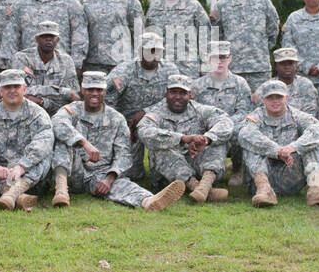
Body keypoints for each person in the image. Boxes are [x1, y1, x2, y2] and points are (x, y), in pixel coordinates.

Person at [51, 71, 187, 210]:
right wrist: (83, 142)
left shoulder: (116, 118)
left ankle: (148, 201)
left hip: (100, 174)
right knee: (64, 139)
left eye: (99, 90)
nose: (95, 94)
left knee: (122, 185)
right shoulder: (71, 110)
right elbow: (57, 123)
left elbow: (124, 154)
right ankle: (61, 191)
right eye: (90, 89)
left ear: (105, 91)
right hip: (72, 172)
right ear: (82, 90)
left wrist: (109, 179)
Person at [238, 80, 319, 207]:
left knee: (312, 144)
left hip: (290, 177)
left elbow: (317, 130)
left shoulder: (297, 116)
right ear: (263, 99)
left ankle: (317, 189)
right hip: (260, 180)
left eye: (279, 97)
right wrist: (277, 151)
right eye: (270, 97)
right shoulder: (256, 117)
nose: (275, 101)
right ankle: (265, 190)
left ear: (286, 98)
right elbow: (245, 135)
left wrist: (293, 147)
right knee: (251, 145)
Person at [137, 74, 234, 203]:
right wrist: (182, 139)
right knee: (161, 148)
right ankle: (198, 188)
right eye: (173, 92)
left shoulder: (200, 110)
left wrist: (206, 139)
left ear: (190, 95)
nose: (177, 96)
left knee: (217, 142)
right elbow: (144, 131)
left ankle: (205, 185)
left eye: (183, 93)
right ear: (166, 93)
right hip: (167, 174)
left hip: (196, 164)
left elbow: (225, 122)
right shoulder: (156, 113)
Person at [0, 69, 54, 210]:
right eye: (7, 87)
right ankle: (13, 194)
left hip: (28, 177)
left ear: (24, 89)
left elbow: (44, 140)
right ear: (1, 91)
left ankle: (13, 193)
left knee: (47, 155)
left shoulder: (37, 113)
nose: (12, 91)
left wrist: (22, 166)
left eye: (16, 87)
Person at [106, 32, 178, 178]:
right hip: (129, 125)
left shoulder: (170, 70)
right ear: (140, 51)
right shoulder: (124, 71)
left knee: (162, 176)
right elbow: (107, 100)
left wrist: (146, 112)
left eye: (156, 50)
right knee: (131, 174)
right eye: (149, 50)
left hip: (159, 123)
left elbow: (178, 99)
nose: (153, 54)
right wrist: (120, 125)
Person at [2, 0, 89, 70]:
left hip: (61, 69)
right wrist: (13, 67)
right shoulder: (20, 2)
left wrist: (75, 67)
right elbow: (10, 37)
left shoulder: (71, 3)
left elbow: (80, 37)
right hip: (28, 69)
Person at [209, 0, 279, 88]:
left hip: (259, 67)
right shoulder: (222, 4)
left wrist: (260, 48)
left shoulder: (264, 2)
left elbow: (273, 29)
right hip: (231, 67)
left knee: (261, 103)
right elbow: (215, 34)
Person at [193, 41, 252, 177]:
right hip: (206, 129)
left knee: (241, 132)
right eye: (215, 58)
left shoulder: (240, 83)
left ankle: (237, 169)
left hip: (231, 129)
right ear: (209, 60)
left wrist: (224, 125)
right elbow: (193, 112)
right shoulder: (197, 85)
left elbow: (244, 112)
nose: (219, 62)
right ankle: (200, 167)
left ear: (229, 59)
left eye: (223, 57)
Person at [81, 0, 144, 74]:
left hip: (121, 63)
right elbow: (80, 29)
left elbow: (138, 30)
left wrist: (138, 60)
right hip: (93, 63)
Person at [145, 0, 210, 77]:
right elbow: (147, 40)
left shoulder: (193, 6)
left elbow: (206, 37)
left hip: (188, 70)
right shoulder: (154, 8)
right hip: (161, 70)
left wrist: (205, 67)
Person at [13, 20, 80, 114]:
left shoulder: (66, 60)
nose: (48, 39)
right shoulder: (22, 58)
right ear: (37, 39)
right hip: (28, 110)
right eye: (44, 36)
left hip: (58, 112)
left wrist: (43, 102)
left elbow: (74, 94)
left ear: (58, 40)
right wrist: (60, 91)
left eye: (52, 37)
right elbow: (19, 90)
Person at [270, 47, 319, 115]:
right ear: (276, 66)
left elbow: (311, 112)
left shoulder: (306, 85)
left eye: (290, 63)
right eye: (282, 63)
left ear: (296, 66)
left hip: (302, 124)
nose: (287, 67)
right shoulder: (268, 86)